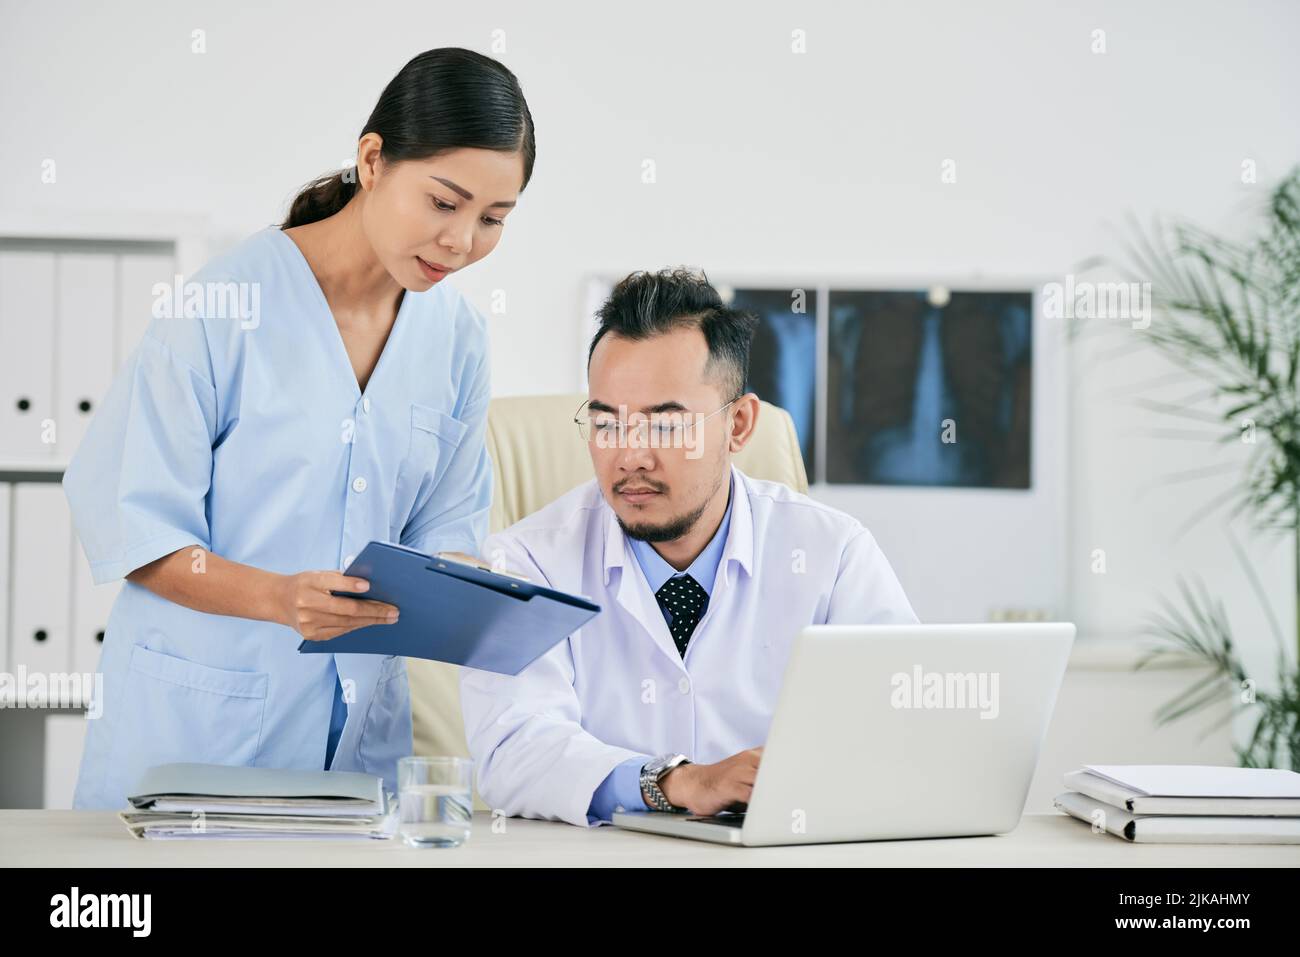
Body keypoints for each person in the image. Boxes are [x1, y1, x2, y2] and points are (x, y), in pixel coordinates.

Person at [65, 48, 536, 809]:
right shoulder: (221, 308)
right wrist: (280, 598)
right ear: (373, 159)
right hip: (195, 735)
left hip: (356, 748)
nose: (461, 242)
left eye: (493, 219)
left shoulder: (458, 340)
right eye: (444, 203)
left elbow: (445, 529)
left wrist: (471, 594)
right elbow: (138, 536)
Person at [459, 267, 918, 828]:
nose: (630, 457)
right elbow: (513, 753)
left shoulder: (833, 553)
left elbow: (901, 728)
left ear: (740, 425)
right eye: (606, 424)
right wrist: (678, 782)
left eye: (667, 427)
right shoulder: (526, 563)